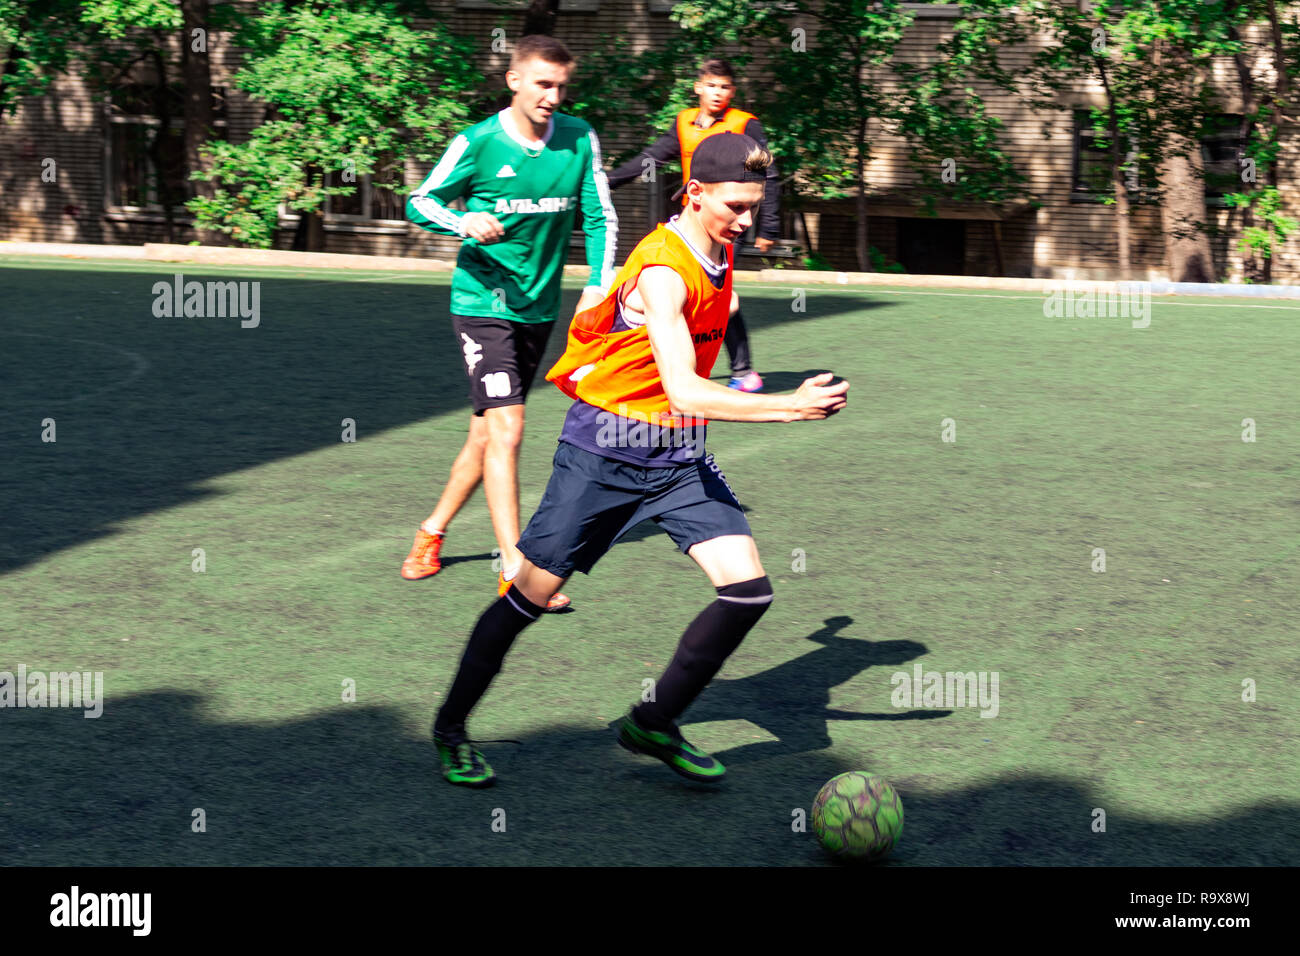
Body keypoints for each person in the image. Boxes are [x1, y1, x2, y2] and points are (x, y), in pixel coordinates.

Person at [432, 133, 848, 787]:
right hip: (605, 447)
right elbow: (683, 386)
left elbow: (681, 396)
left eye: (754, 206)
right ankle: (450, 728)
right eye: (735, 206)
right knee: (529, 598)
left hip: (676, 451)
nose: (747, 220)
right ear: (696, 193)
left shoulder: (718, 245)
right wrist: (791, 407)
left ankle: (652, 721)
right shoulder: (661, 268)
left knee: (748, 591)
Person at [401, 35, 617, 613]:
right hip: (482, 305)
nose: (553, 96)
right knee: (511, 429)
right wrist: (464, 219)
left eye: (561, 87)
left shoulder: (578, 139)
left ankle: (431, 532)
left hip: (539, 308)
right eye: (543, 84)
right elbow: (419, 201)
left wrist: (599, 284)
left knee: (486, 434)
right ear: (514, 80)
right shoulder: (477, 142)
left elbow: (599, 215)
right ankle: (516, 567)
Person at [606, 57, 778, 393]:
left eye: (725, 86)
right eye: (711, 85)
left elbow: (767, 175)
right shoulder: (684, 121)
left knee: (724, 299)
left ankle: (741, 371)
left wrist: (768, 226)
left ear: (733, 91)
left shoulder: (745, 124)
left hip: (723, 227)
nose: (718, 92)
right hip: (688, 227)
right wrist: (608, 181)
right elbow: (652, 158)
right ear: (698, 87)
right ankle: (674, 367)